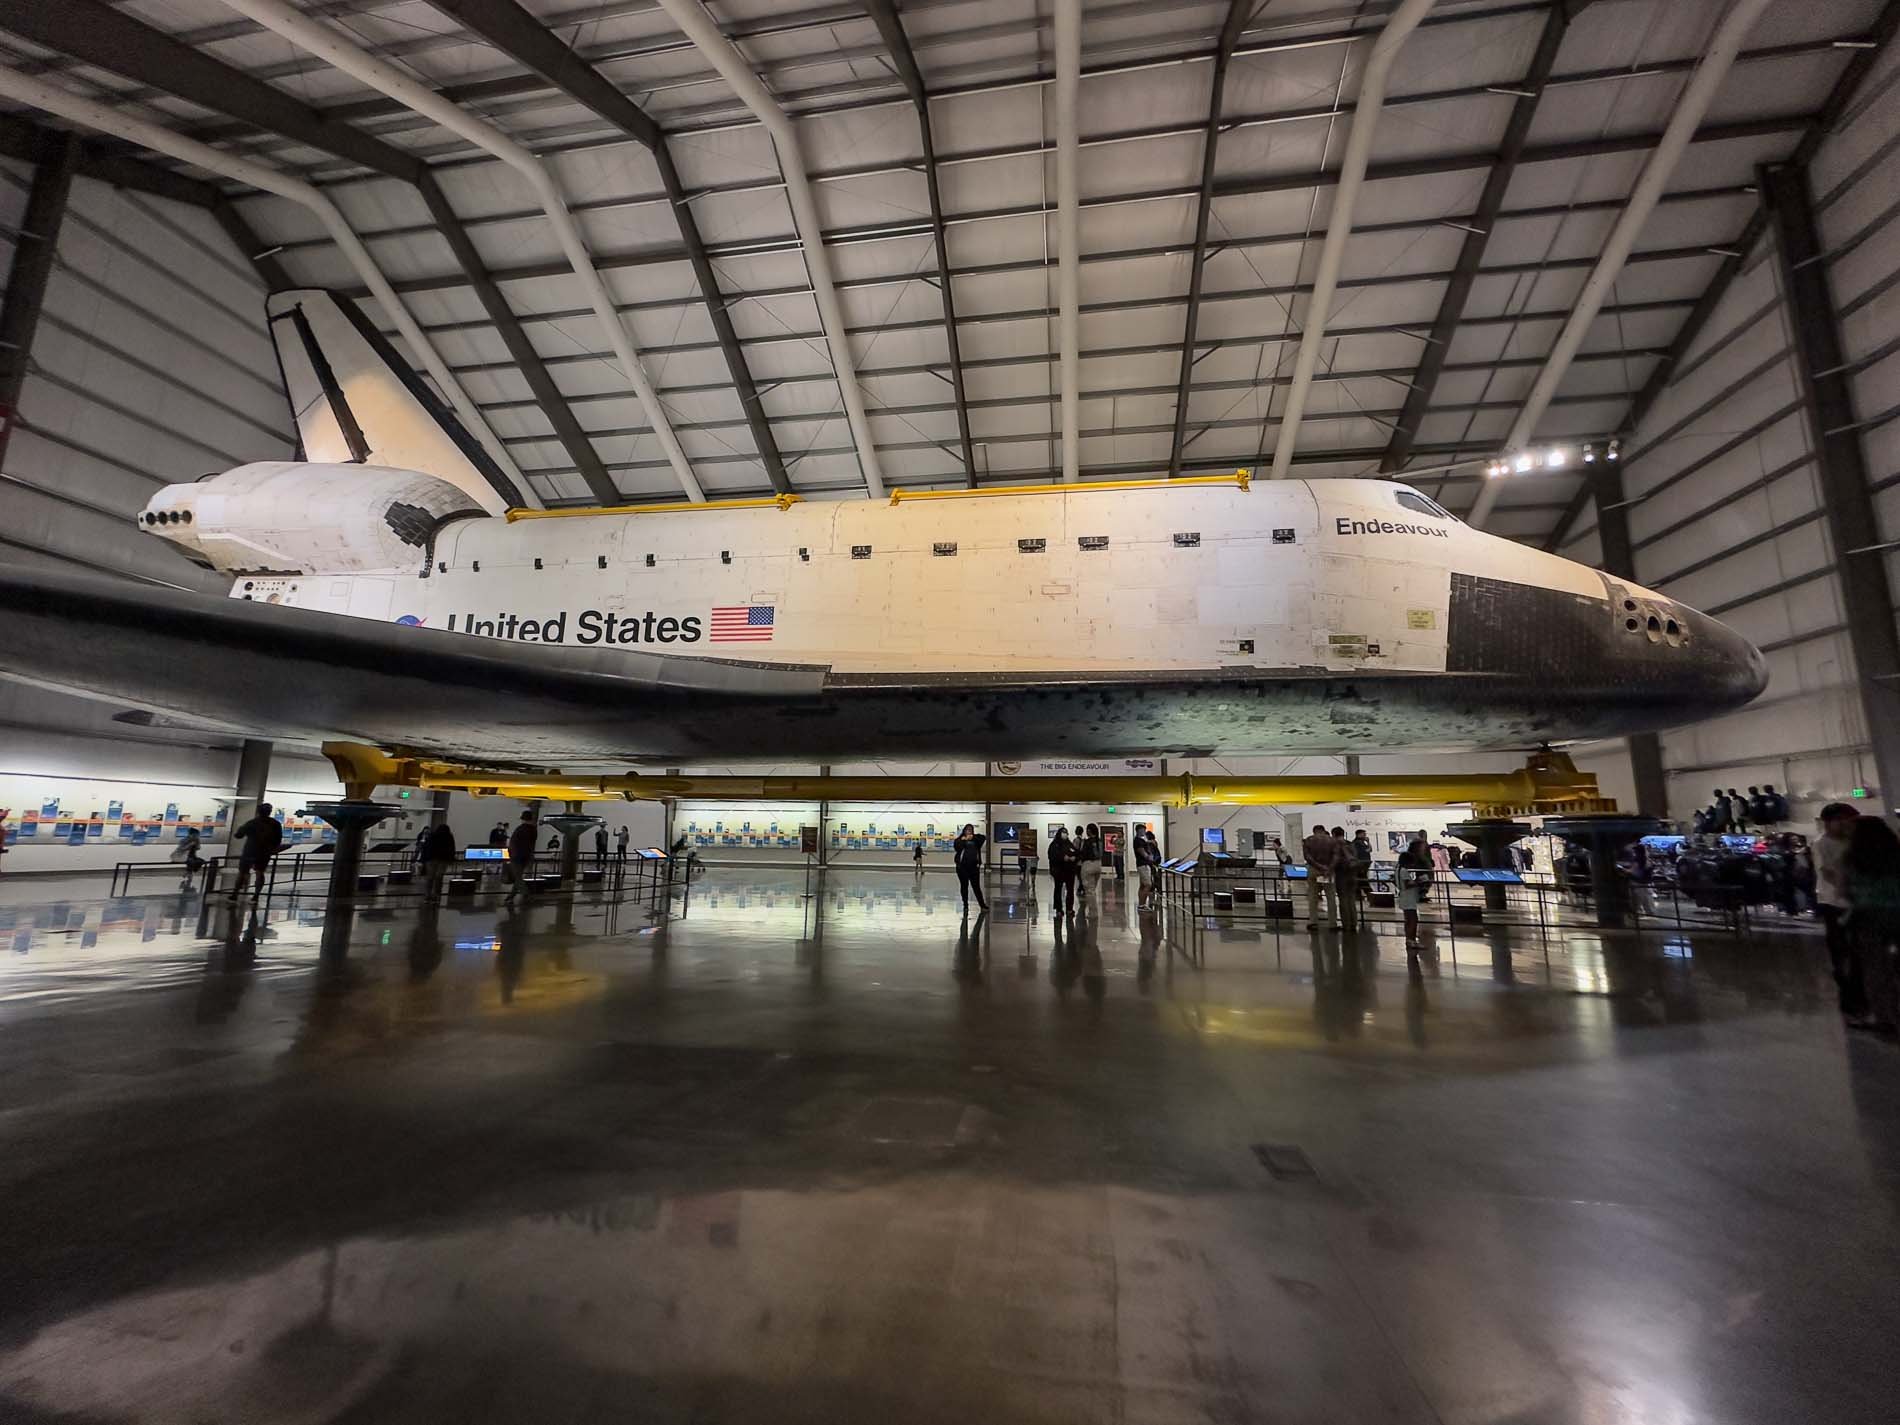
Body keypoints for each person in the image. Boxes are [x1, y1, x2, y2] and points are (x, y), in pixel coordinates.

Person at [1843, 816, 1900, 1033]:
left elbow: (1846, 891)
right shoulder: (1896, 854)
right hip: (1897, 915)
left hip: (1868, 918)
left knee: (1876, 969)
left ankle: (1884, 1015)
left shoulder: (1852, 858)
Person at [1814, 802, 1863, 1019]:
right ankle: (1849, 997)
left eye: (1849, 820)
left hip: (1856, 902)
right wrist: (1848, 892)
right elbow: (1827, 873)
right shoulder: (1822, 844)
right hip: (1834, 903)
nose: (1845, 824)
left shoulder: (1854, 842)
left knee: (1858, 951)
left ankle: (1859, 993)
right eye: (1840, 820)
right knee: (1841, 950)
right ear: (1828, 823)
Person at [231, 802, 283, 899]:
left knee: (242, 872)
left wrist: (240, 829)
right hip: (264, 852)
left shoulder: (252, 823)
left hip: (249, 851)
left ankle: (235, 893)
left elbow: (238, 835)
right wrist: (272, 848)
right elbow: (278, 839)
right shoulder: (275, 824)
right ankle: (256, 895)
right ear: (269, 812)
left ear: (259, 811)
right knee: (260, 872)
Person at [1396, 836, 1433, 968]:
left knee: (1409, 919)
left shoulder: (1399, 869)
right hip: (1408, 898)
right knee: (1412, 919)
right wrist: (1419, 882)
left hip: (1406, 897)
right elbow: (1407, 884)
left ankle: (1410, 939)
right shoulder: (1404, 871)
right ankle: (1411, 940)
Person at [1301, 823, 1340, 929]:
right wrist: (1329, 868)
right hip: (1328, 871)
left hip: (1314, 870)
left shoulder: (1309, 840)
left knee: (1313, 897)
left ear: (1314, 831)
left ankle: (1313, 921)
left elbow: (1307, 857)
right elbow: (1336, 856)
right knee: (1331, 898)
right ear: (1324, 830)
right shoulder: (1332, 841)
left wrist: (1319, 867)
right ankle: (1333, 923)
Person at [503, 808, 540, 906]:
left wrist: (508, 855)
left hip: (516, 856)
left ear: (523, 819)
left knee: (518, 877)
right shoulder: (533, 830)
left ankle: (526, 895)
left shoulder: (519, 829)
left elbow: (512, 844)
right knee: (518, 877)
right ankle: (510, 897)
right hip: (527, 856)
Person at [953, 823, 988, 912]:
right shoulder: (959, 840)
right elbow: (957, 847)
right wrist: (964, 840)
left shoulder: (976, 840)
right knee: (964, 886)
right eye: (967, 829)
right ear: (964, 831)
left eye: (970, 830)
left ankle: (982, 905)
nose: (969, 831)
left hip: (974, 867)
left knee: (976, 887)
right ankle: (965, 905)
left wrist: (972, 837)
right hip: (962, 868)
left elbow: (983, 838)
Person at [1330, 827, 1359, 930]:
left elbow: (1335, 859)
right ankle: (1354, 923)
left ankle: (1346, 924)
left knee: (1343, 900)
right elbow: (1355, 857)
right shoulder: (1350, 844)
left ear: (1333, 834)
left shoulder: (1335, 845)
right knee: (1351, 899)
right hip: (1352, 874)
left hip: (1341, 874)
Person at [1048, 826, 1079, 918]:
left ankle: (1069, 909)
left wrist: (1074, 858)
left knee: (1070, 890)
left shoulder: (1069, 844)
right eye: (1063, 833)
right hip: (1059, 871)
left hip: (1069, 871)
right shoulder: (1054, 845)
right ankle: (1058, 909)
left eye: (1066, 833)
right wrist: (1062, 857)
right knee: (1058, 889)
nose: (1065, 835)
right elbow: (1052, 856)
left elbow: (1075, 853)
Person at [420, 820, 456, 898]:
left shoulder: (432, 836)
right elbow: (452, 849)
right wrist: (451, 859)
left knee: (430, 877)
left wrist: (423, 860)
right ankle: (436, 894)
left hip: (431, 859)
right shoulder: (449, 837)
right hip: (443, 859)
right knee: (439, 877)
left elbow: (426, 848)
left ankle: (428, 894)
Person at [1079, 823, 1104, 908]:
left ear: (1089, 831)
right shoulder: (1099, 841)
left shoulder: (1087, 841)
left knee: (1089, 891)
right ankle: (1093, 910)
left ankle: (1093, 911)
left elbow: (1083, 854)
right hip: (1098, 865)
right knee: (1093, 889)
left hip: (1088, 865)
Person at [1134, 824, 1160, 908]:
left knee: (1142, 885)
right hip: (1143, 864)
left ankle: (1141, 904)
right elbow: (1142, 851)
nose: (1144, 832)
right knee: (1148, 884)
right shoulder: (1138, 841)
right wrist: (1149, 857)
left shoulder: (1141, 840)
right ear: (1138, 830)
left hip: (1144, 864)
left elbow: (1145, 845)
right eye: (1143, 830)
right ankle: (1142, 904)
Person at [1351, 829, 1373, 902]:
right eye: (1364, 834)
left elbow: (1370, 850)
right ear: (1359, 834)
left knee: (1361, 881)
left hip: (1363, 865)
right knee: (1363, 881)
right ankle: (1369, 895)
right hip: (1360, 865)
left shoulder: (1362, 843)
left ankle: (1359, 896)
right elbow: (1367, 850)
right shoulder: (1357, 843)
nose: (1365, 836)